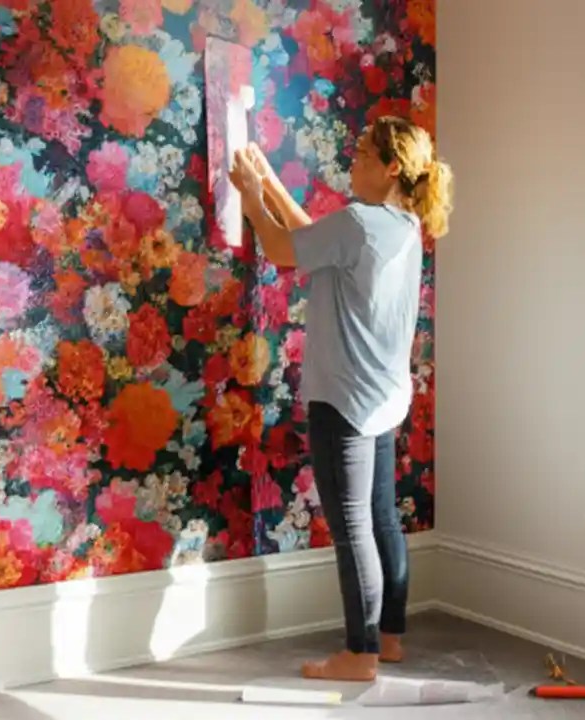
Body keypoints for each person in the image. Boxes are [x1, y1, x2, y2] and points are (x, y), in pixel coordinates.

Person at [229, 116, 453, 682]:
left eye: (360, 154)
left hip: (345, 398)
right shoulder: (399, 226)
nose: (350, 161)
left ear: (391, 168)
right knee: (381, 519)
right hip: (383, 396)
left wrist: (253, 198)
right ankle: (389, 638)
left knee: (352, 524)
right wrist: (272, 184)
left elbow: (283, 248)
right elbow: (314, 245)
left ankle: (361, 653)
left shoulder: (360, 222)